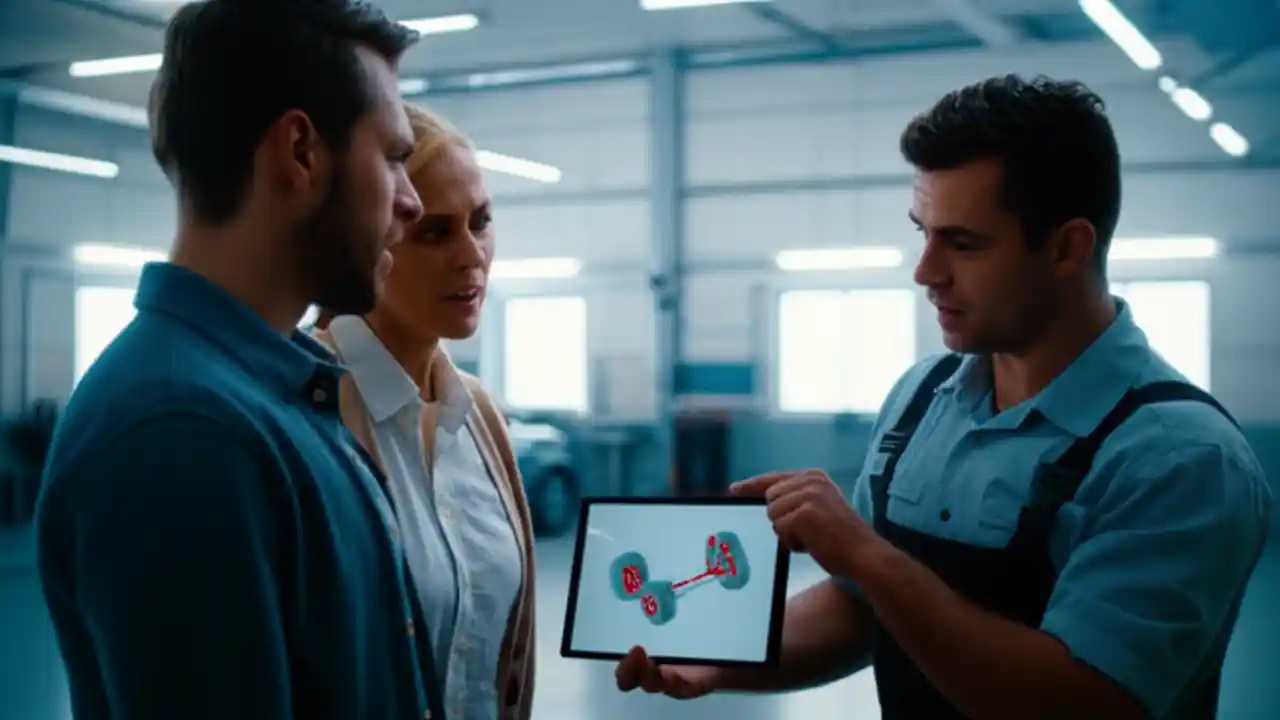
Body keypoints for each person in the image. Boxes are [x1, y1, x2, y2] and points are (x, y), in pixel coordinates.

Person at [616, 74, 1273, 719]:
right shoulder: (921, 398)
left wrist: (869, 556)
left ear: (1068, 247)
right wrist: (719, 658)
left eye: (963, 244)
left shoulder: (1179, 458)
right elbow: (861, 609)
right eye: (922, 232)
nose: (925, 272)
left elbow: (1080, 702)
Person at [34, 2, 447, 719]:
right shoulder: (182, 433)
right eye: (391, 158)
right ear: (299, 152)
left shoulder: (278, 393)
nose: (410, 203)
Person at [312, 103, 537, 720]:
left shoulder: (481, 414)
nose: (474, 257)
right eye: (434, 232)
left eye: (481, 222)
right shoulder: (302, 405)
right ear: (368, 238)